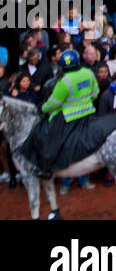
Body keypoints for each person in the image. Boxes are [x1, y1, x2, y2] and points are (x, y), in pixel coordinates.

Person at [20, 49, 101, 178]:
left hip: (69, 117)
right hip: (89, 112)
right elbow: (95, 92)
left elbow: (53, 104)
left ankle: (45, 168)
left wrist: (42, 109)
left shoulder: (64, 81)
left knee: (44, 135)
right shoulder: (88, 72)